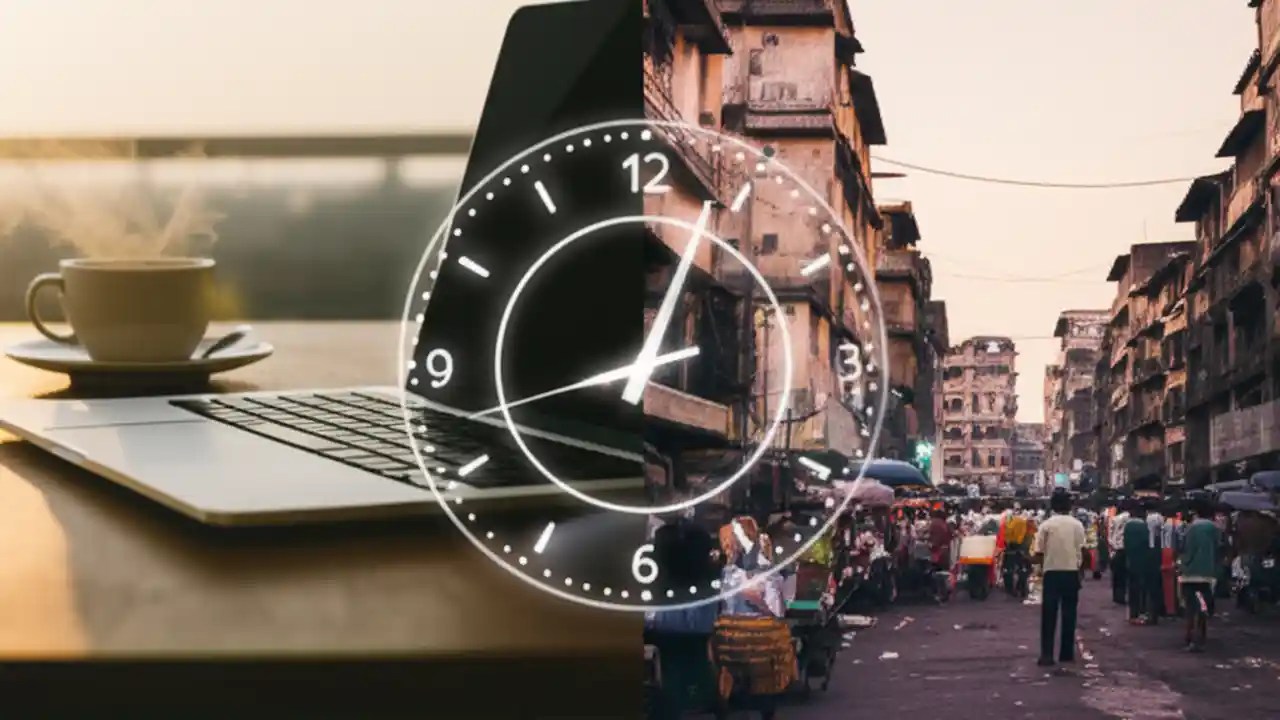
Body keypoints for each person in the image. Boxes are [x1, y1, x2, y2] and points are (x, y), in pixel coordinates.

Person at [1034, 489, 1086, 666]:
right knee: (1069, 614)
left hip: (1051, 573)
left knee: (1049, 615)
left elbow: (1039, 552)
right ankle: (1066, 653)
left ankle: (1047, 655)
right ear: (1069, 505)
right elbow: (1083, 550)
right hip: (1071, 572)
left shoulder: (1046, 525)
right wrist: (1081, 572)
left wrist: (1039, 570)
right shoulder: (1077, 524)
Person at [1179, 497, 1221, 652]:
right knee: (1203, 606)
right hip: (1208, 573)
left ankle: (1190, 636)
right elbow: (1219, 548)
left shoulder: (1191, 527)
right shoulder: (1215, 529)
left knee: (1191, 607)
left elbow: (1183, 547)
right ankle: (1201, 637)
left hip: (1190, 572)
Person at [1124, 503, 1159, 625]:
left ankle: (1133, 614)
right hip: (1144, 562)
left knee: (1132, 588)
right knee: (1143, 589)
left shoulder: (1128, 526)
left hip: (1131, 561)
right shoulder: (1144, 527)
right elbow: (1148, 544)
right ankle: (1142, 612)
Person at [1109, 504, 1130, 604]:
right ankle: (1125, 595)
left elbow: (1110, 534)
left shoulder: (1114, 519)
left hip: (1116, 550)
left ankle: (1117, 596)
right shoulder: (1130, 518)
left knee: (1117, 576)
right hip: (1127, 549)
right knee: (1126, 575)